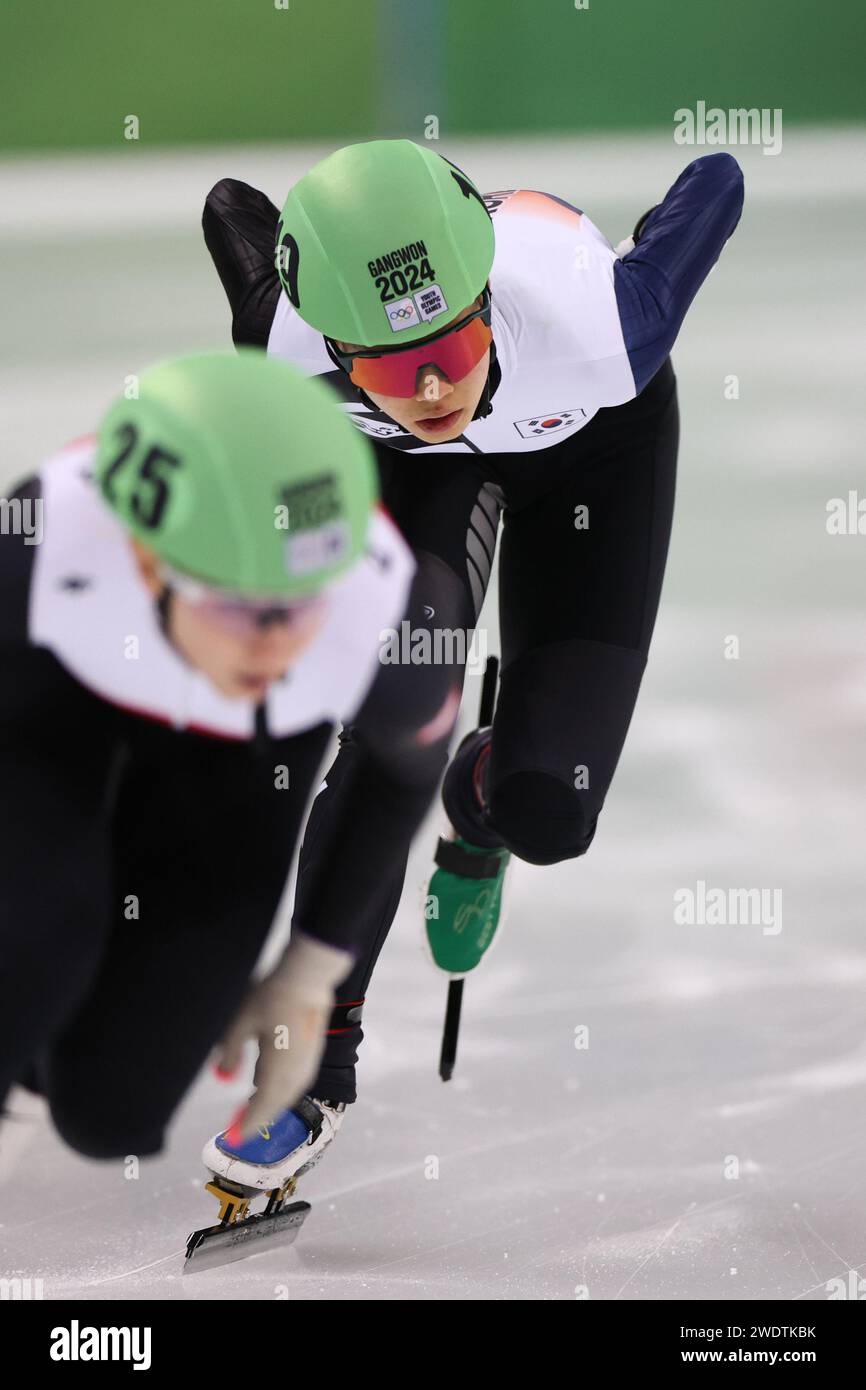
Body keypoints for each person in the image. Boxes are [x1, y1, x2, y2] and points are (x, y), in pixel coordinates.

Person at [201, 137, 744, 1139]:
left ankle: (478, 798)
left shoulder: (606, 328)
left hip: (597, 454)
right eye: (390, 372)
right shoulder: (285, 344)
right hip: (432, 481)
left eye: (448, 353)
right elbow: (232, 207)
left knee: (551, 812)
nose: (432, 392)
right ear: (330, 346)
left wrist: (641, 248)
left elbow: (716, 176)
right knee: (388, 730)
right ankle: (314, 1063)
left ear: (487, 301)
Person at [0, 349, 459, 1165]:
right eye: (245, 608)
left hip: (242, 760)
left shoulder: (382, 616)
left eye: (303, 602)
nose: (278, 644)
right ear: (147, 562)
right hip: (59, 723)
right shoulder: (39, 546)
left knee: (111, 1117)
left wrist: (312, 968)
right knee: (37, 936)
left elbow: (405, 772)